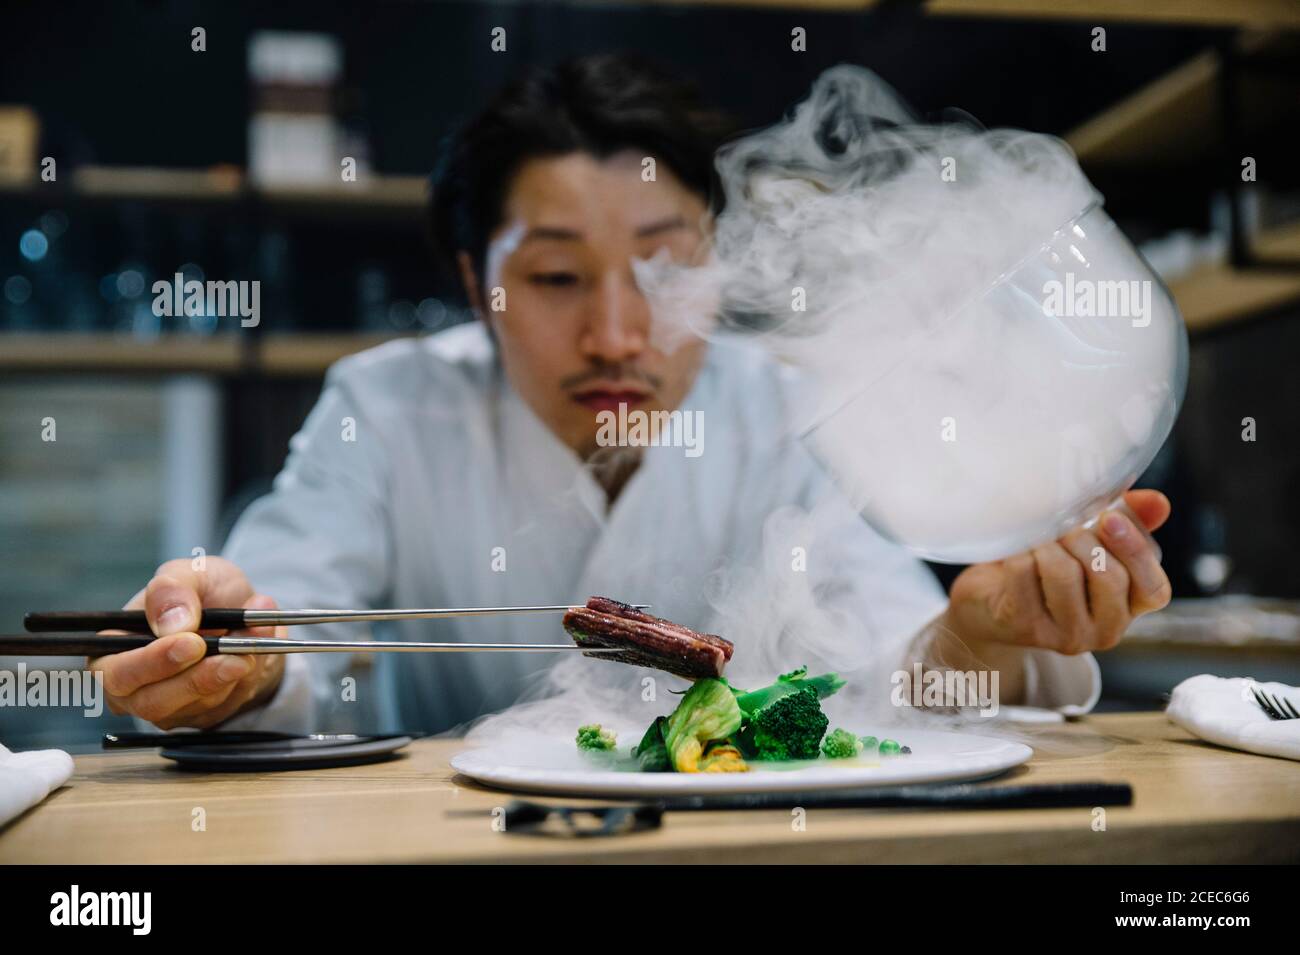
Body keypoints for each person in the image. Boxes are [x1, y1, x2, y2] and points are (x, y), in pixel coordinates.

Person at [92, 53, 1172, 734]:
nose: (615, 334)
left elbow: (901, 678)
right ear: (476, 282)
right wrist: (226, 663)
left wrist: (979, 644)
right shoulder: (385, 406)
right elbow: (284, 628)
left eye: (664, 272)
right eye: (555, 277)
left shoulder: (773, 408)